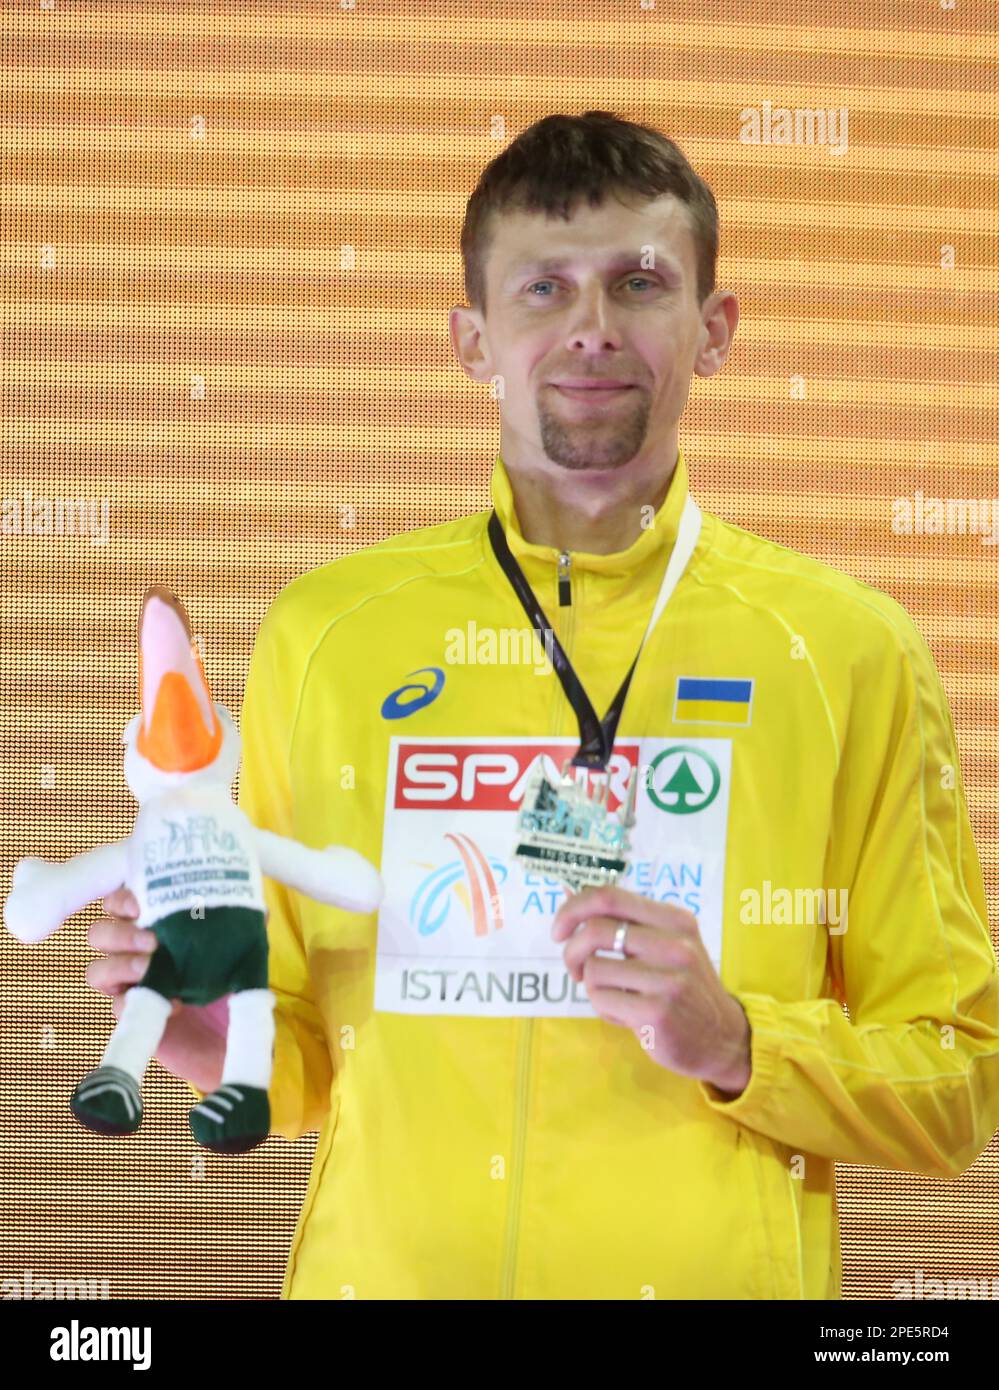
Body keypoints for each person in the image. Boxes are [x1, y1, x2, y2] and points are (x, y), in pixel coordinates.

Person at [87, 110, 999, 1299]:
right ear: (472, 338)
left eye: (639, 283)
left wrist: (741, 1044)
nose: (591, 328)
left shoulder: (845, 650)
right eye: (543, 289)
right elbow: (306, 1051)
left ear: (714, 330)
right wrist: (212, 1040)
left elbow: (958, 1083)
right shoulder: (328, 637)